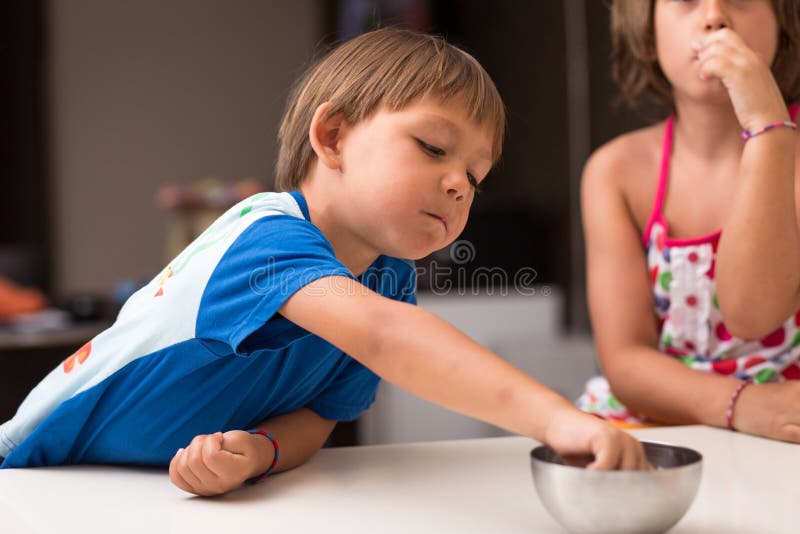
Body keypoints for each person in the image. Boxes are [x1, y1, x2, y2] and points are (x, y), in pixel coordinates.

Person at [0, 28, 649, 496]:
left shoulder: (387, 279)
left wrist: (261, 450)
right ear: (333, 136)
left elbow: (321, 417)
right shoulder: (265, 237)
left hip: (130, 494)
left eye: (476, 177)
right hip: (36, 474)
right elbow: (387, 339)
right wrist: (559, 419)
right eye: (432, 147)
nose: (460, 185)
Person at [576, 0, 800, 443]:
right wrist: (743, 405)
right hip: (657, 424)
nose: (714, 16)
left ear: (785, 25)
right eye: (686, 1)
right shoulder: (616, 171)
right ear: (646, 32)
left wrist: (767, 128)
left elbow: (752, 314)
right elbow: (626, 362)